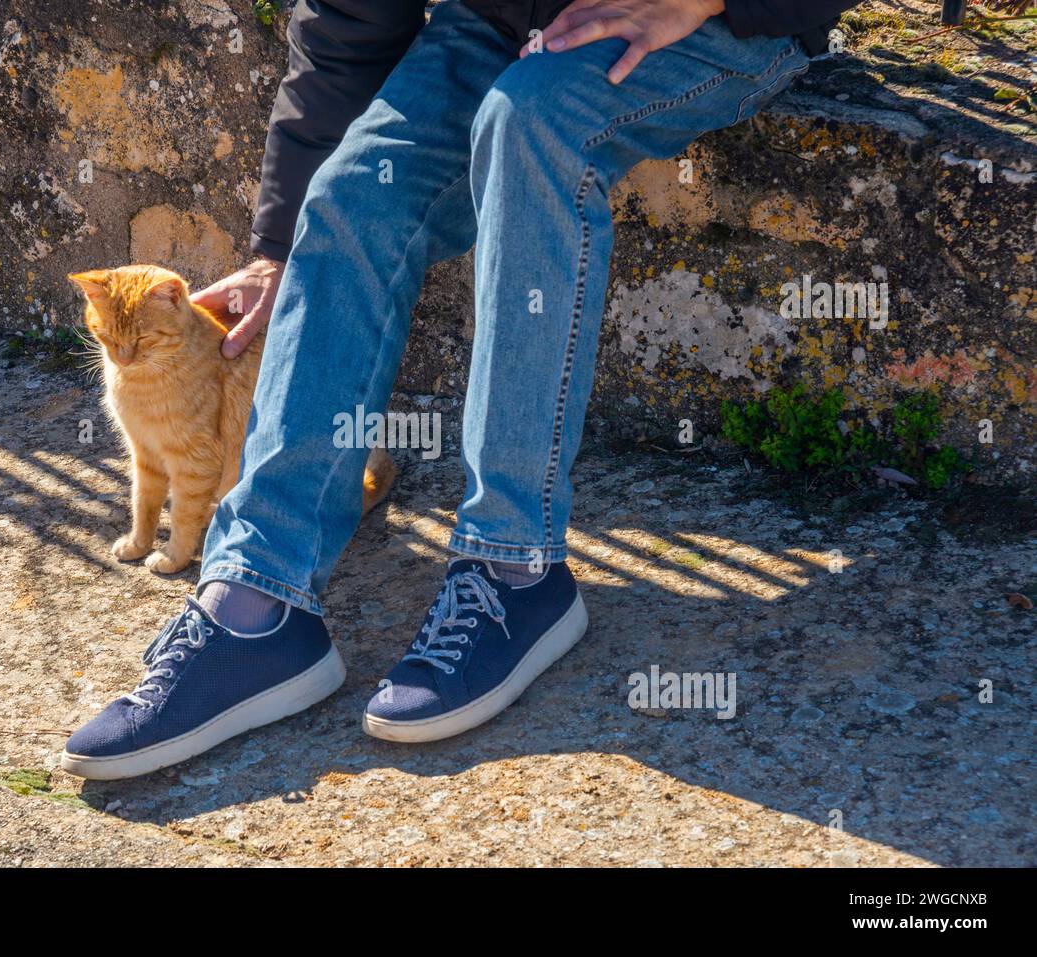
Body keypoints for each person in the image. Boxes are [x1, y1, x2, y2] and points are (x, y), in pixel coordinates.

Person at [62, 0, 863, 780]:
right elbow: (349, 20)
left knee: (531, 127)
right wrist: (277, 246)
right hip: (505, 20)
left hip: (713, 23)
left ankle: (513, 570)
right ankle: (257, 601)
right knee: (349, 196)